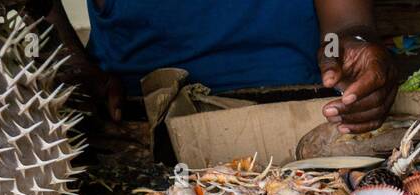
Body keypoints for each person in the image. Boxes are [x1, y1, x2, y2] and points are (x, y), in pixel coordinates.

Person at [38, 0, 398, 133]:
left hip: (296, 122)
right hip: (132, 125)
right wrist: (70, 61)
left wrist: (348, 46)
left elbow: (341, 31)